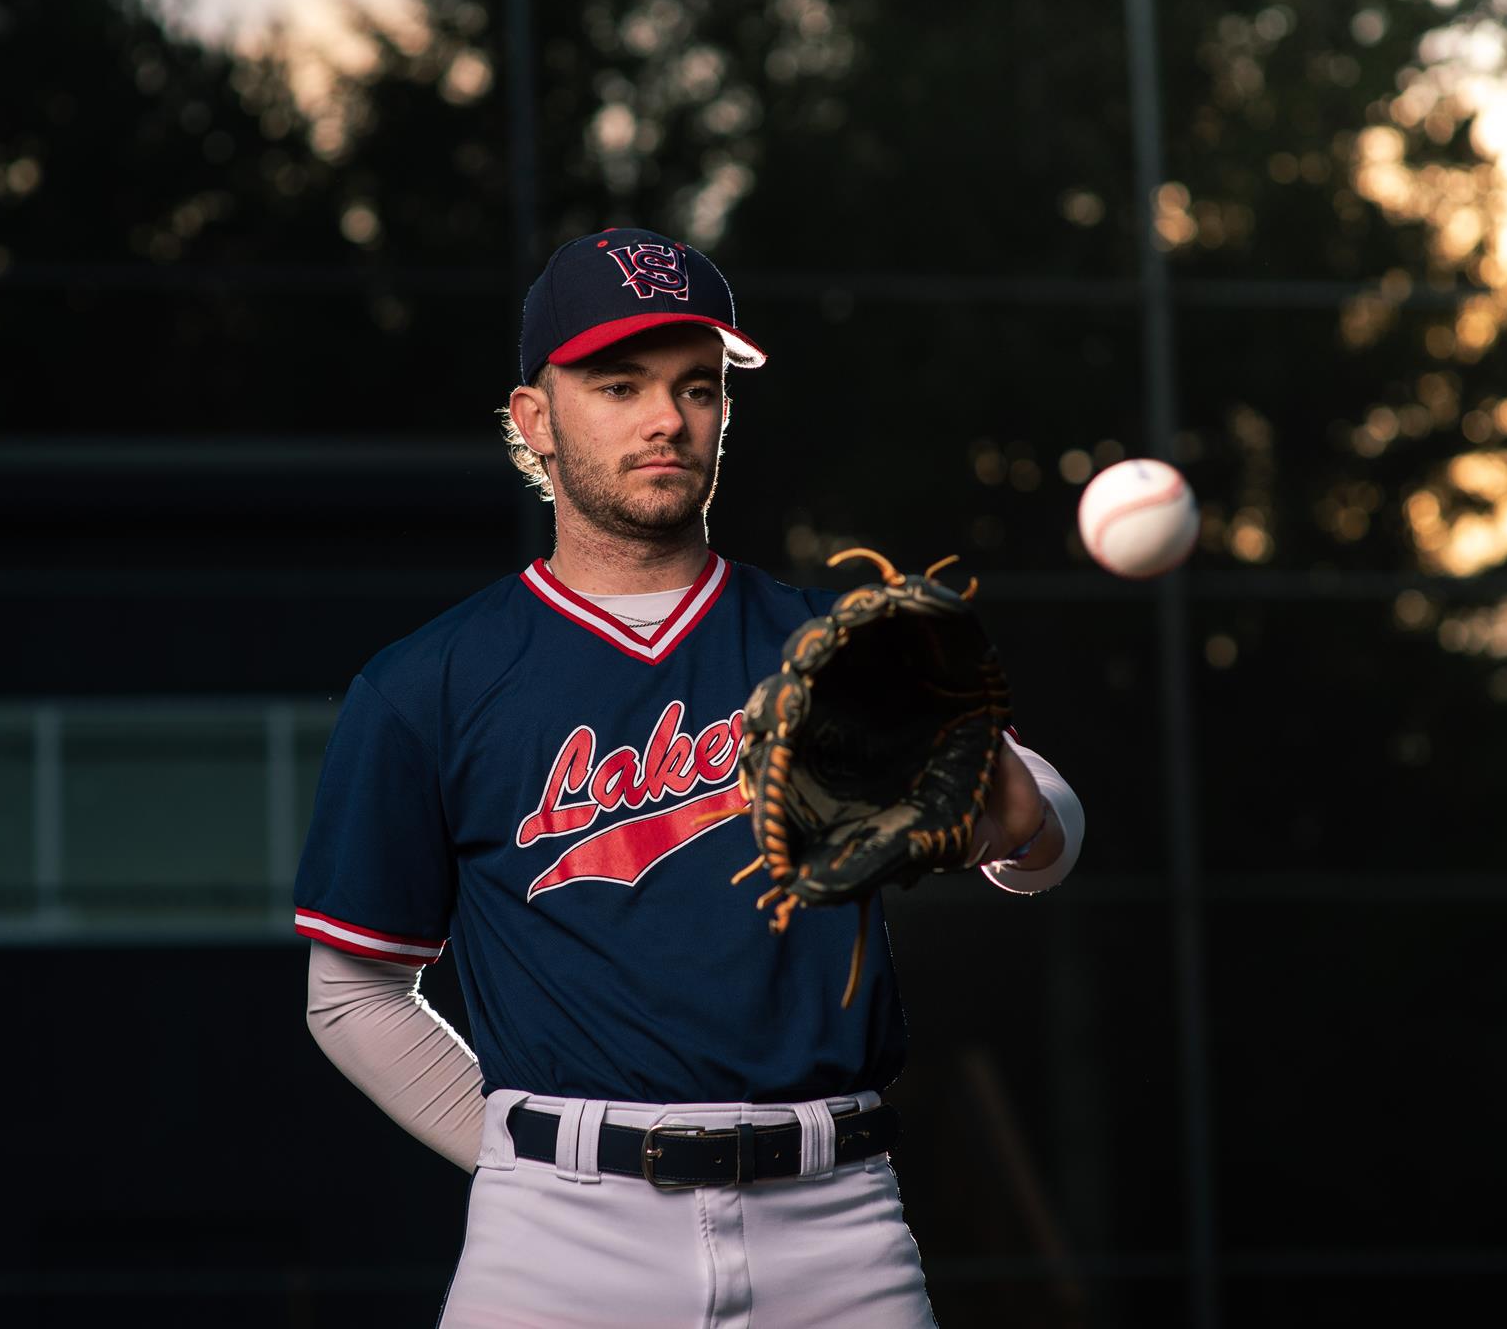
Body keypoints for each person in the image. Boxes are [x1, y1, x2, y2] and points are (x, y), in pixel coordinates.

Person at [296, 228, 1085, 1327]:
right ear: (533, 419)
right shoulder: (426, 684)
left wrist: (1019, 821)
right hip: (557, 1252)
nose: (666, 420)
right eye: (617, 385)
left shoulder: (830, 644)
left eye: (695, 388)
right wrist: (528, 1163)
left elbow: (1045, 831)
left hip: (836, 1227)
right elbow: (350, 995)